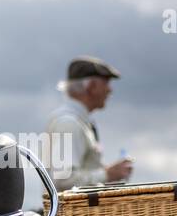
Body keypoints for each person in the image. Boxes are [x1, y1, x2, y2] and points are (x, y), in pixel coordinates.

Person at [43, 56, 134, 190]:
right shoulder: (69, 123)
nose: (110, 90)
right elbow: (63, 181)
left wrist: (108, 174)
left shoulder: (75, 121)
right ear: (91, 86)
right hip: (71, 211)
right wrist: (107, 174)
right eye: (106, 83)